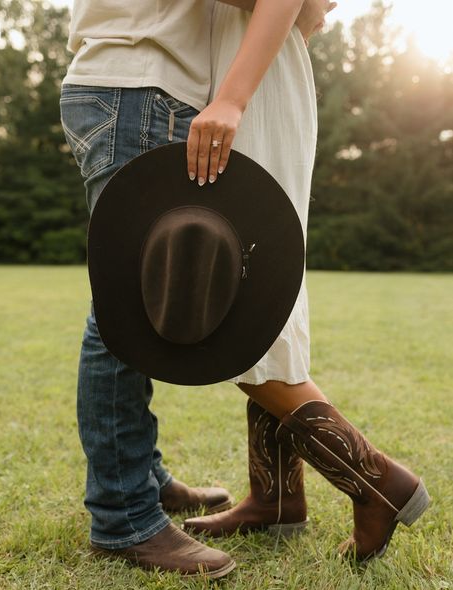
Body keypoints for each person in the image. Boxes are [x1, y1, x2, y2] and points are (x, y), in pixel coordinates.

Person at [60, 0, 330, 578]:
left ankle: (142, 479)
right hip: (139, 88)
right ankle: (122, 515)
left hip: (136, 84)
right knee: (125, 311)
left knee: (127, 301)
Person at [183, 0, 430, 563]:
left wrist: (230, 96)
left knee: (242, 307)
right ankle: (275, 497)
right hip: (248, 73)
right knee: (264, 300)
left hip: (250, 87)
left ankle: (375, 480)